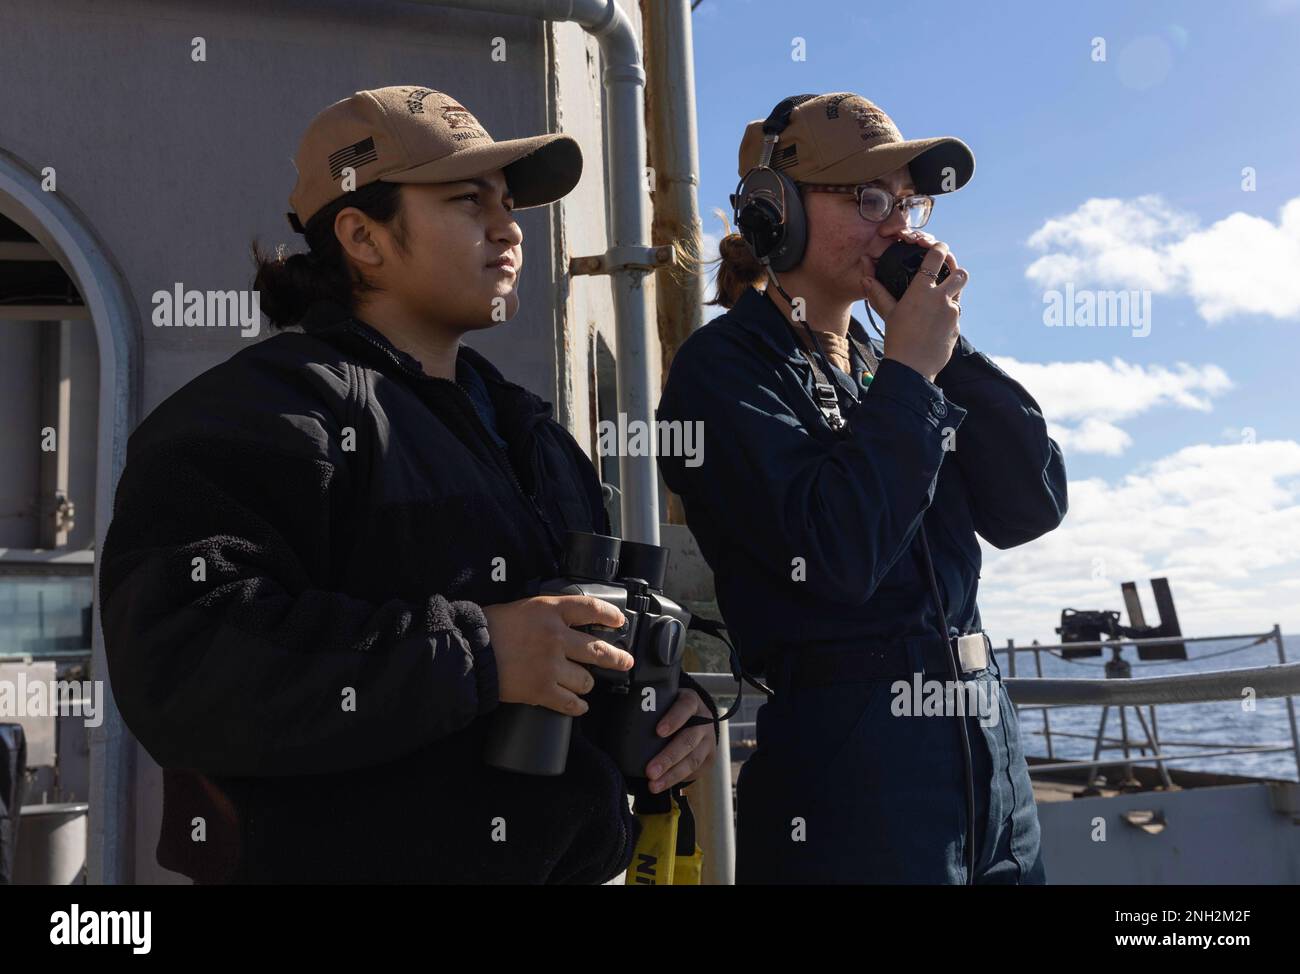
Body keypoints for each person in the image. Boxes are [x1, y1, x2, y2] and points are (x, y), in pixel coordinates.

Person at [98, 85, 717, 884]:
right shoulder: (260, 415)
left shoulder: (534, 436)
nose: (508, 228)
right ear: (362, 235)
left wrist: (668, 706)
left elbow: (570, 648)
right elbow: (180, 663)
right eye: (467, 200)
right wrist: (481, 651)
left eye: (507, 203)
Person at [656, 92, 1068, 884]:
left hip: (987, 752)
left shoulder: (893, 359)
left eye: (908, 203)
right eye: (869, 199)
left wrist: (949, 355)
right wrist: (914, 374)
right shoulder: (724, 370)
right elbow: (836, 554)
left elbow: (1029, 506)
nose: (899, 227)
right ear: (776, 214)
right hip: (855, 771)